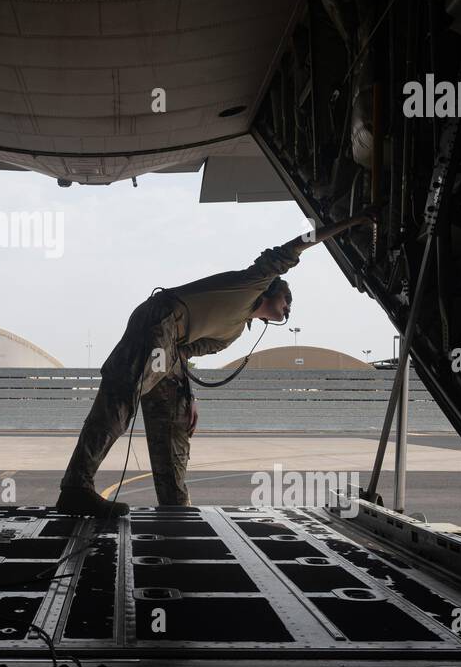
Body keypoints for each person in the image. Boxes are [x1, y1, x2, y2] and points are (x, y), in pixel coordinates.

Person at [55, 213, 374, 517]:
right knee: (126, 395)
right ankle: (76, 485)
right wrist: (348, 224)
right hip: (162, 318)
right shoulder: (251, 283)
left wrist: (190, 396)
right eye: (286, 300)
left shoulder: (231, 335)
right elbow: (293, 247)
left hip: (171, 342)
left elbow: (181, 353)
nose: (288, 309)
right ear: (271, 291)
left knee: (175, 413)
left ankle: (175, 506)